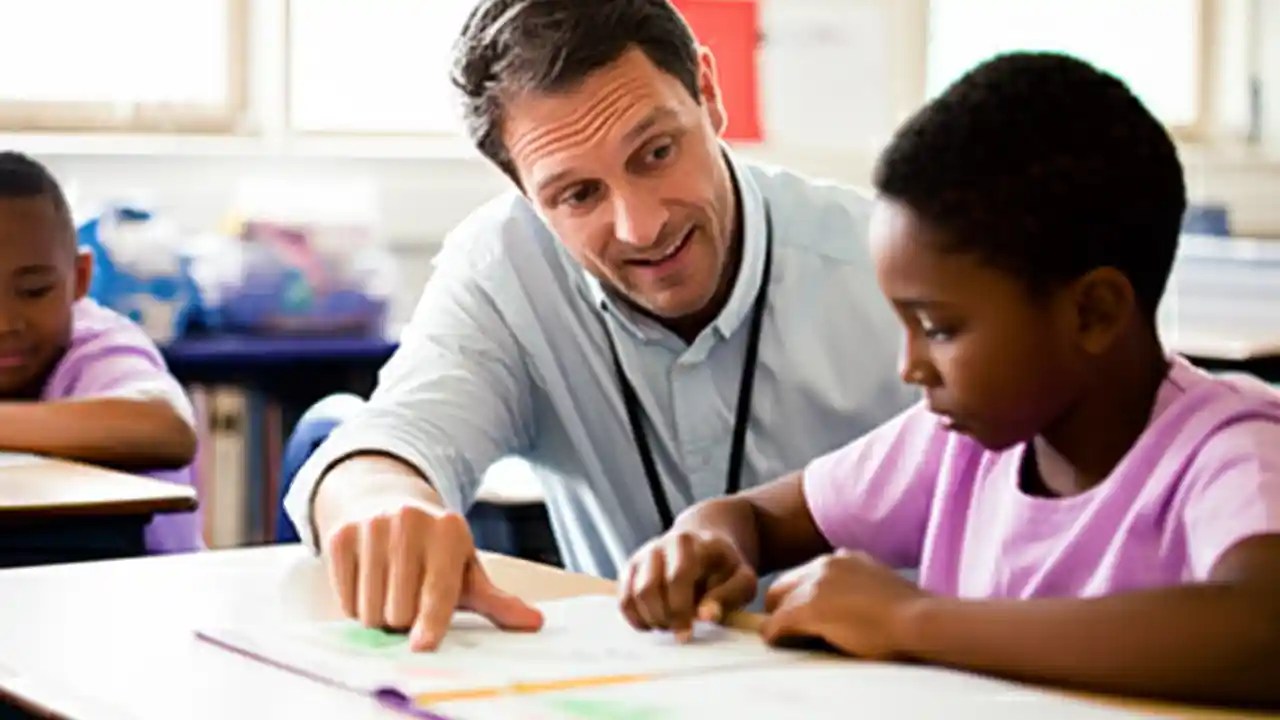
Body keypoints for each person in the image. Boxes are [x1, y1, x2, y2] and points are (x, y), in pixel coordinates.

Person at [618, 52, 1280, 707]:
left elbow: (1262, 632)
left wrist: (913, 621)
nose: (909, 367)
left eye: (937, 328)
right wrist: (702, 540)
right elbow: (755, 517)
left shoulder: (1230, 449)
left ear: (1093, 313)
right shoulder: (955, 446)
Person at [284, 0, 913, 651]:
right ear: (525, 194)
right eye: (578, 195)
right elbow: (389, 441)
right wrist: (383, 504)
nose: (641, 226)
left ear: (708, 93)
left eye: (657, 152)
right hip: (640, 683)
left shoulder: (889, 270)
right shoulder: (505, 272)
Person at [0, 151, 200, 553]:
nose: (6, 323)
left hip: (139, 584)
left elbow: (167, 428)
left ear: (80, 278)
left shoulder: (97, 347)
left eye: (34, 291)